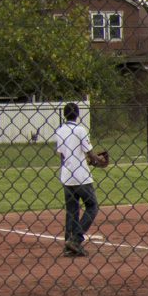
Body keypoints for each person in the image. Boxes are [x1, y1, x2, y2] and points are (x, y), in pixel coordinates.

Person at [53, 102, 100, 257]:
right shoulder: (80, 129)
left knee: (71, 211)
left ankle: (68, 245)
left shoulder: (60, 131)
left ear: (65, 115)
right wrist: (97, 160)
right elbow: (90, 154)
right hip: (81, 176)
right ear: (77, 114)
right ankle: (76, 238)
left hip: (67, 176)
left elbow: (63, 156)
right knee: (92, 206)